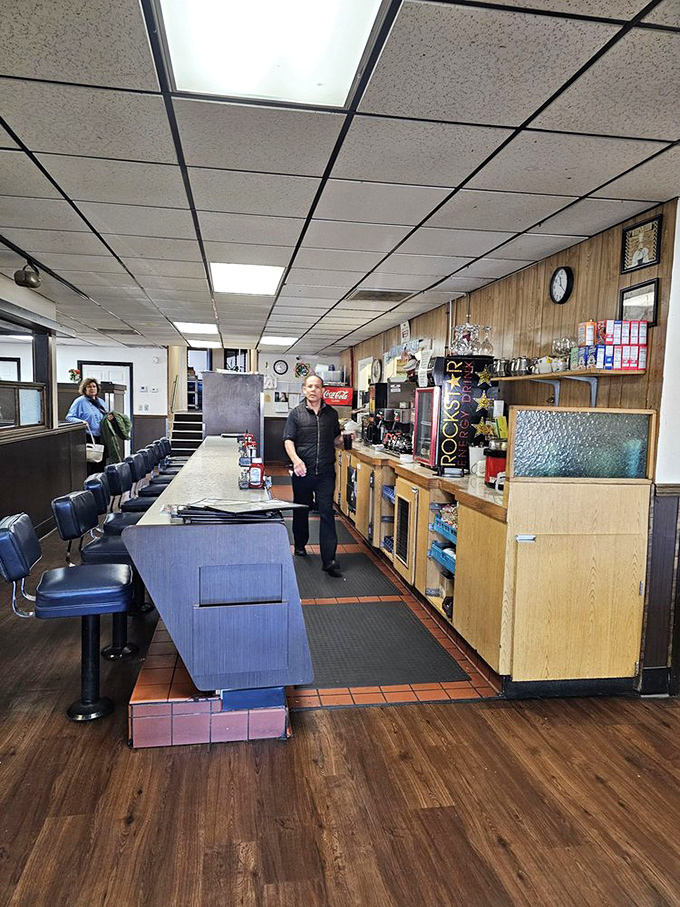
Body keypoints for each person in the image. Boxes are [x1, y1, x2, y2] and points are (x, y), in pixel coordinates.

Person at [283, 374, 350, 578]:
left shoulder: (332, 414)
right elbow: (288, 440)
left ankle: (329, 559)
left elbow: (334, 441)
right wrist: (296, 460)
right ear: (304, 390)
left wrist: (344, 438)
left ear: (323, 391)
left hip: (326, 472)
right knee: (301, 509)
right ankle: (300, 544)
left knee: (326, 513)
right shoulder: (296, 414)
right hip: (303, 471)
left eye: (317, 386)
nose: (313, 390)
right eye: (309, 386)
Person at [65, 377, 114, 474]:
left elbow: (105, 416)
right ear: (84, 389)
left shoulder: (101, 402)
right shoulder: (80, 401)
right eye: (89, 387)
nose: (92, 388)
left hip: (102, 436)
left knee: (101, 462)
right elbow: (69, 417)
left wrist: (109, 418)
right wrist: (81, 422)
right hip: (88, 436)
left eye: (94, 386)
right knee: (91, 464)